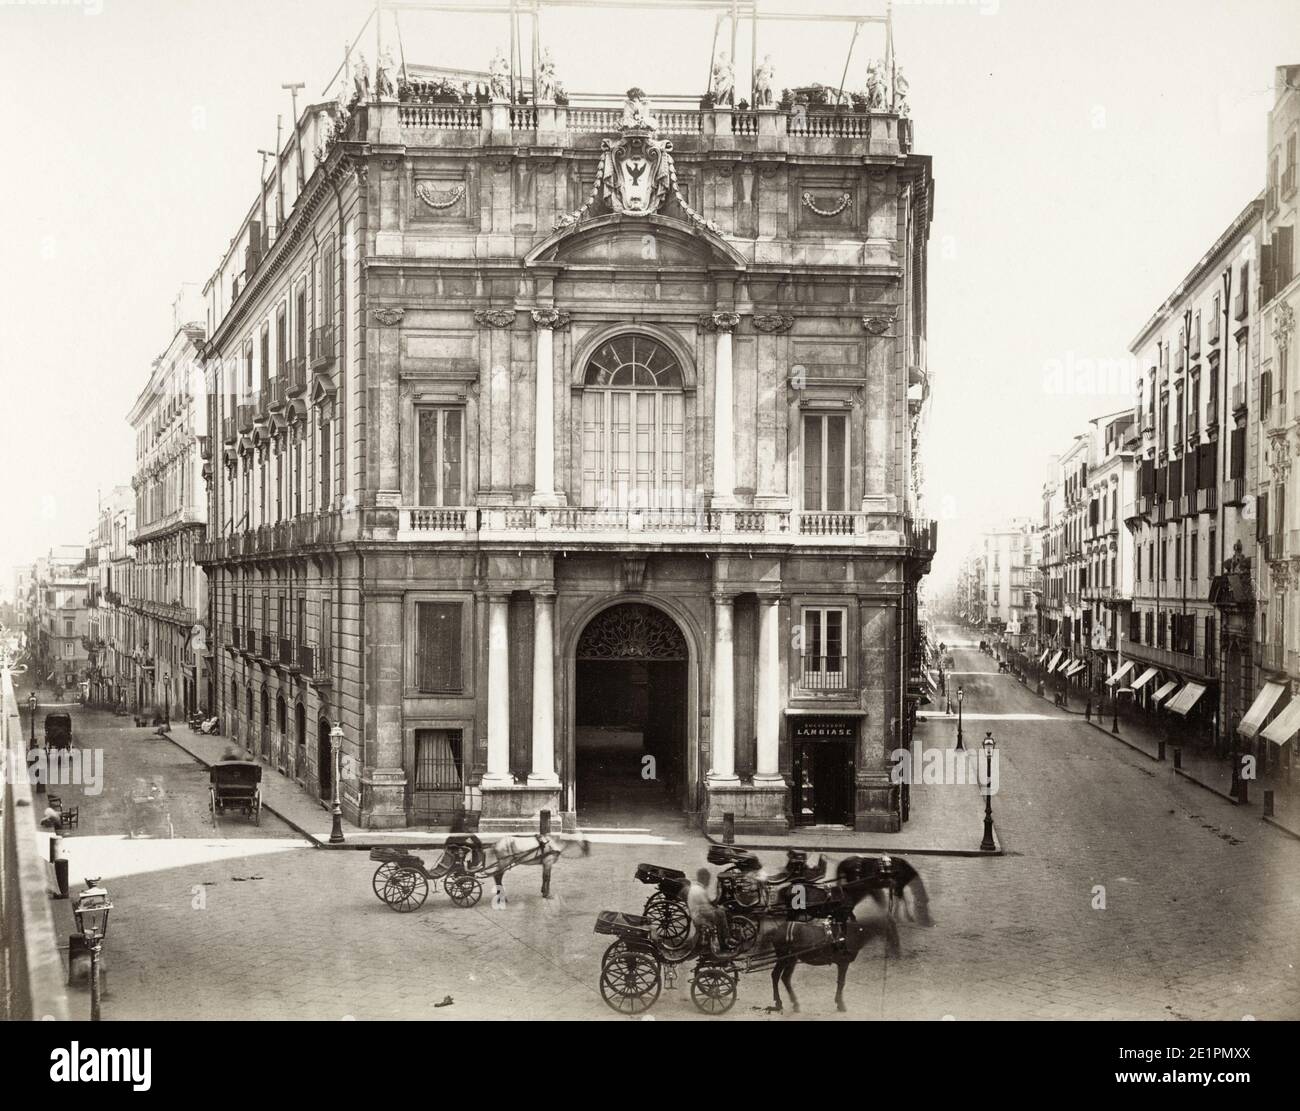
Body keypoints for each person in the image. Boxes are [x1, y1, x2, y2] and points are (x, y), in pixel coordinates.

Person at [687, 868, 730, 948]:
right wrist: (718, 908)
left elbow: (707, 904)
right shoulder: (699, 890)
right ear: (703, 878)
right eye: (708, 879)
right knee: (721, 915)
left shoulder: (695, 888)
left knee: (719, 912)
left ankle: (723, 940)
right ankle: (725, 941)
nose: (708, 882)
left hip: (696, 914)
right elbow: (707, 907)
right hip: (700, 916)